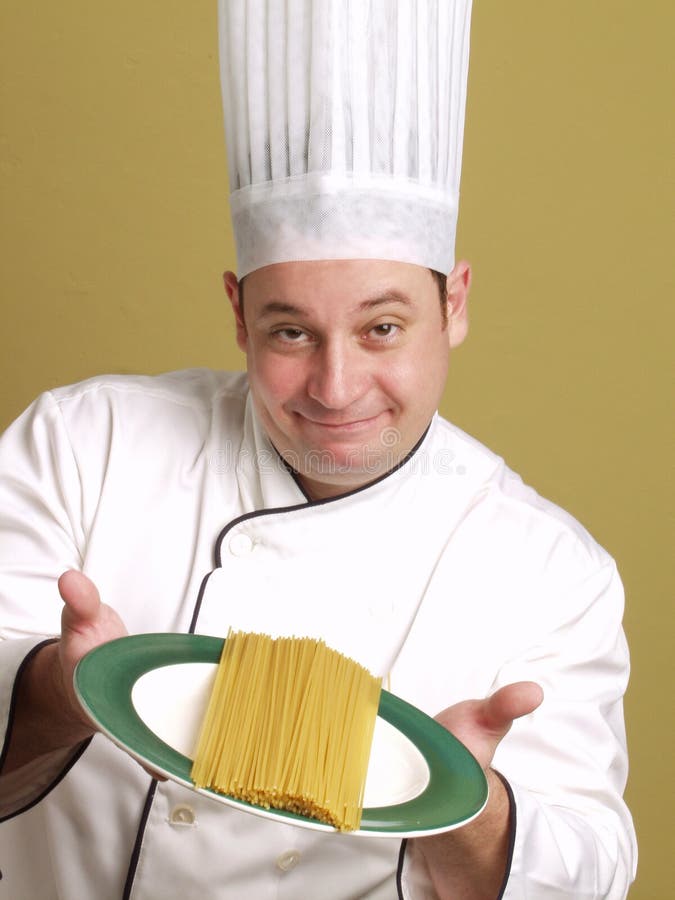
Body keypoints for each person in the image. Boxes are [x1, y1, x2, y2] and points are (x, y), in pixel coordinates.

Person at [0, 2, 636, 898]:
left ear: (453, 304)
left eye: (382, 328)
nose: (335, 389)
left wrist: (470, 809)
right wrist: (59, 692)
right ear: (237, 313)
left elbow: (592, 869)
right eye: (291, 332)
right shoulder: (83, 444)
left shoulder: (551, 573)